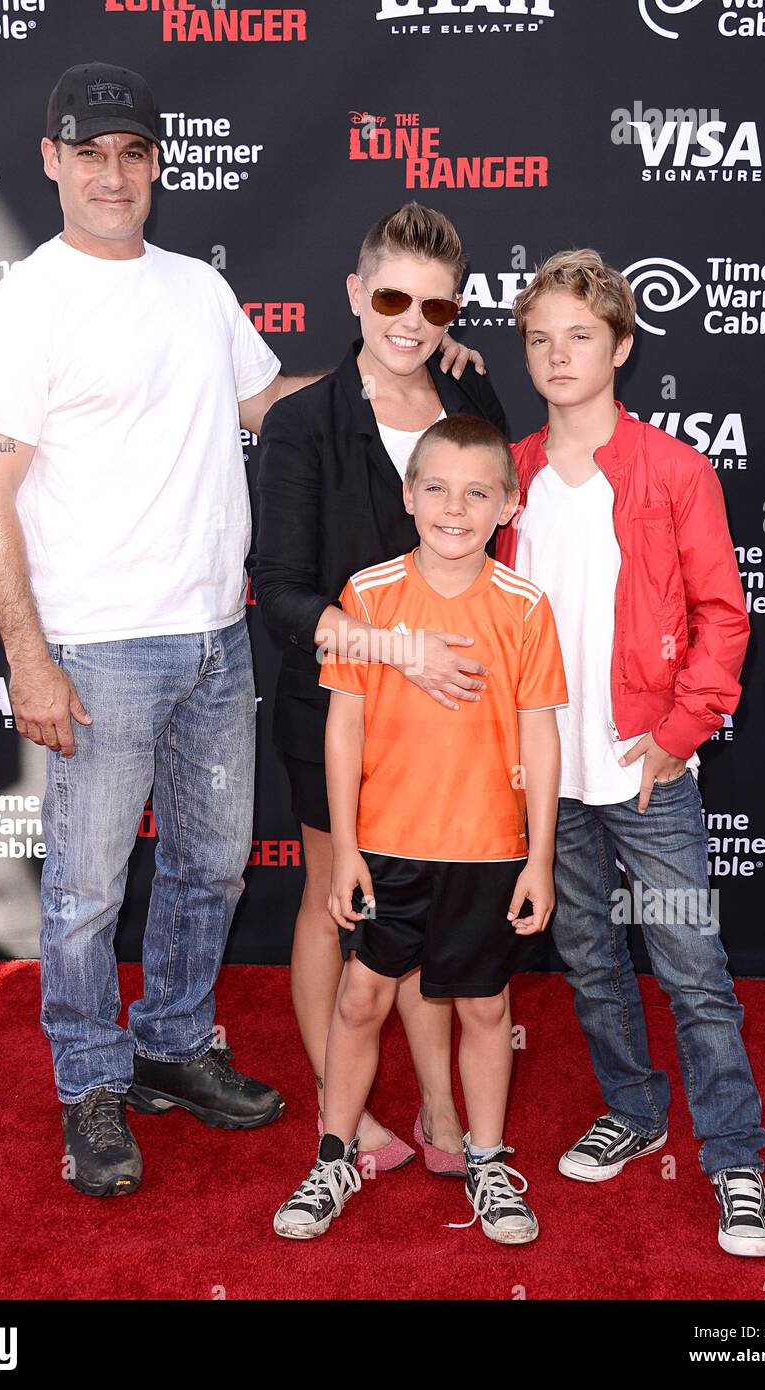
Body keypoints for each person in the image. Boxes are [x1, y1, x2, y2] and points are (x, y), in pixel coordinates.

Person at [0, 61, 327, 1198]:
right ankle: (90, 1087)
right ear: (53, 162)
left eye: (132, 153)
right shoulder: (25, 306)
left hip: (218, 637)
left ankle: (172, 1043)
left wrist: (392, 383)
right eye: (89, 153)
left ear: (156, 163)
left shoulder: (196, 289)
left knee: (212, 869)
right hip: (98, 651)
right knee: (82, 893)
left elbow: (272, 405)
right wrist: (30, 658)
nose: (112, 174)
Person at [496, 248, 765, 1257]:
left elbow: (722, 615)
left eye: (580, 335)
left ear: (620, 346)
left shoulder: (673, 471)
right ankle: (635, 1106)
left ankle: (737, 1161)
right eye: (539, 338)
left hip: (647, 770)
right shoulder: (511, 475)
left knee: (693, 968)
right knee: (587, 959)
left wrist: (677, 732)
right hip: (549, 780)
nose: (558, 355)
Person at [252, 205, 506, 1173]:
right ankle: (340, 1112)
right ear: (357, 295)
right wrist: (396, 650)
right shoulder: (302, 423)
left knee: (427, 910)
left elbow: (494, 555)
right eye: (392, 296)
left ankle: (444, 1109)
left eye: (435, 302)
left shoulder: (471, 406)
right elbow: (277, 589)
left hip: (453, 719)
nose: (412, 319)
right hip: (338, 711)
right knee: (337, 903)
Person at [272, 414, 567, 1242]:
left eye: (478, 492)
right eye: (435, 488)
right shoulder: (366, 598)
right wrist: (346, 850)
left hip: (488, 851)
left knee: (483, 1005)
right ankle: (334, 1154)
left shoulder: (524, 606)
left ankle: (486, 1160)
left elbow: (540, 734)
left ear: (508, 506)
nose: (454, 507)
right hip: (387, 847)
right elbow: (344, 729)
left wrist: (538, 859)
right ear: (407, 496)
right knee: (361, 996)